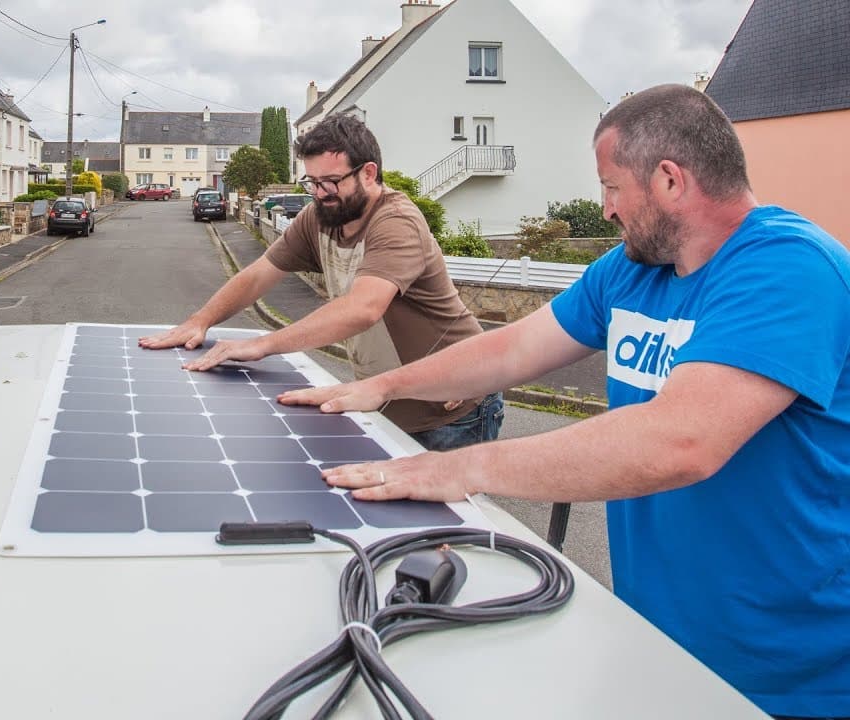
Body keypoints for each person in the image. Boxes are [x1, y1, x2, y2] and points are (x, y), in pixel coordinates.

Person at [278, 84, 850, 720]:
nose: (604, 209)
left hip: (787, 672)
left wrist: (455, 468)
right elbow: (513, 349)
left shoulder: (789, 269)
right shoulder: (629, 270)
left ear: (667, 181)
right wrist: (384, 386)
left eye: (611, 187)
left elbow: (681, 441)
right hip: (655, 639)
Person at [138, 113, 503, 450]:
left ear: (369, 173)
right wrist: (199, 322)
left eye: (331, 182)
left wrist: (263, 344)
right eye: (312, 182)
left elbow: (363, 308)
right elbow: (258, 274)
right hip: (388, 402)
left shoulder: (396, 222)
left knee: (445, 520)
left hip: (454, 407)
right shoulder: (320, 215)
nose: (320, 193)